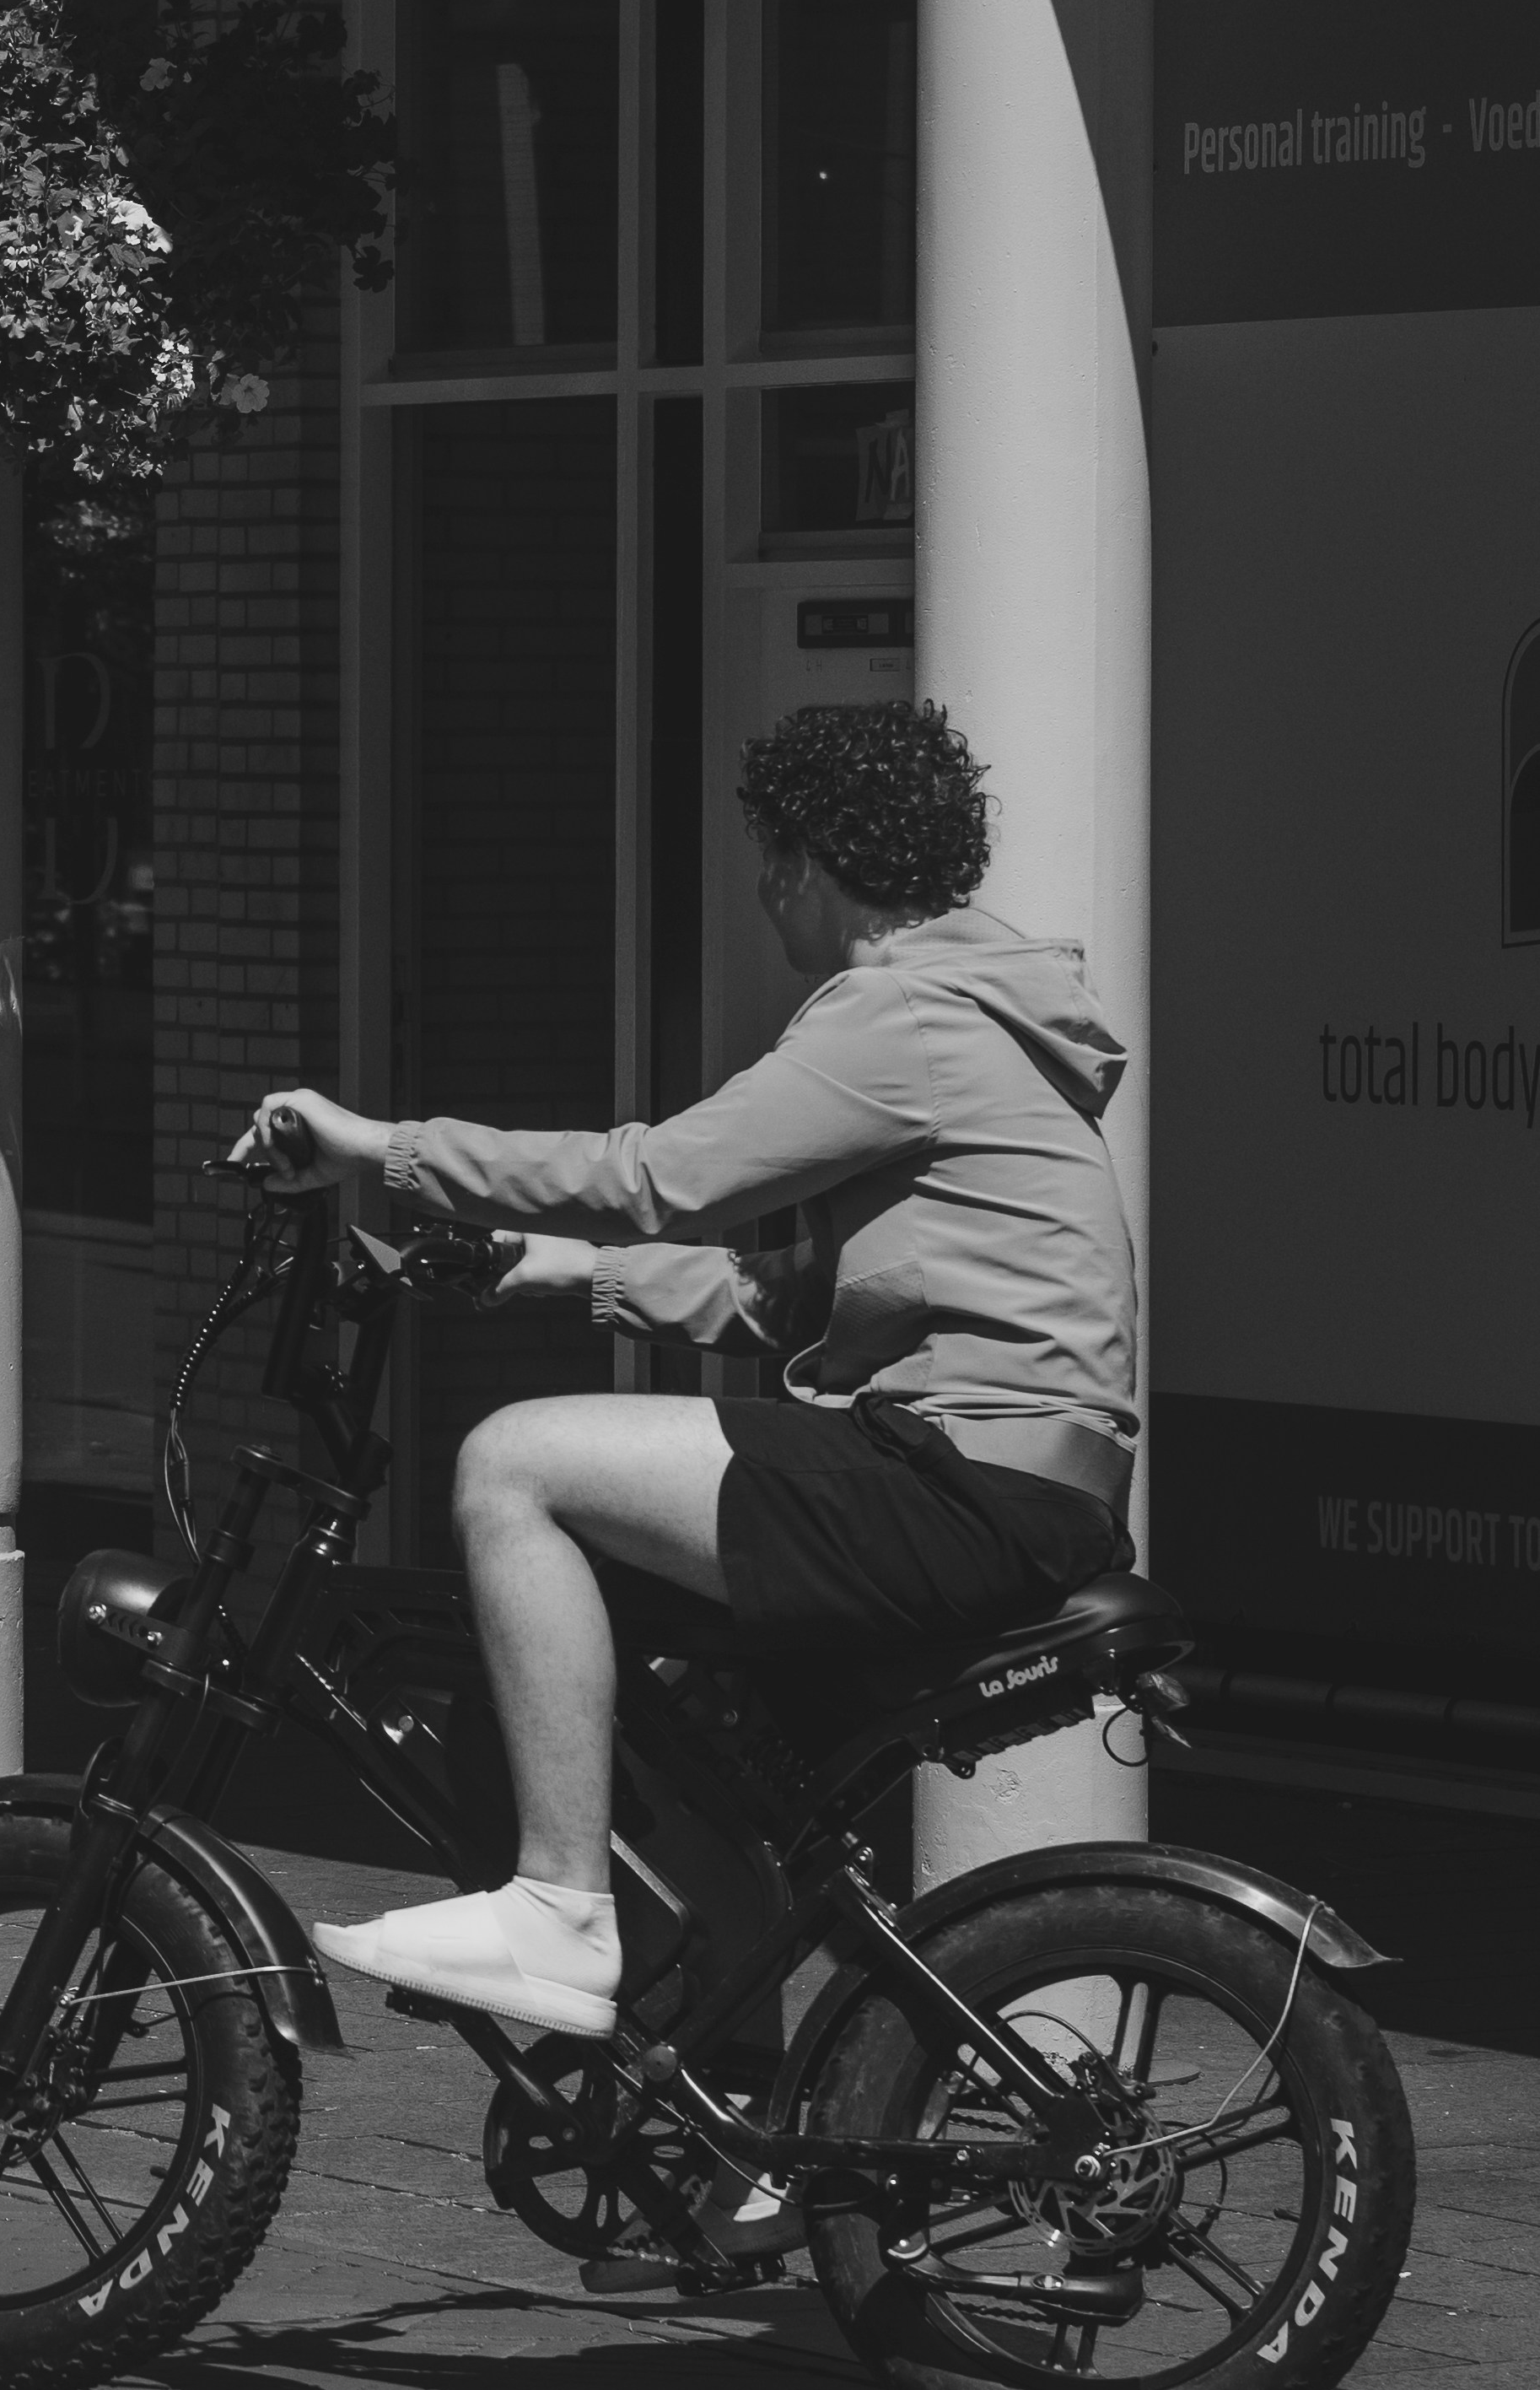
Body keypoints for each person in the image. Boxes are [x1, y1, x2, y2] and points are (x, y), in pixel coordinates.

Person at [236, 698, 1140, 2038]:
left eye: (765, 860)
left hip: (960, 1478)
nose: (762, 893)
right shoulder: (974, 1013)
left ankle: (556, 1907)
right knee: (692, 1734)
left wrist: (378, 1143)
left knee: (511, 1462)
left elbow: (656, 1178)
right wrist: (541, 1269)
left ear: (805, 861)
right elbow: (784, 1300)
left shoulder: (900, 1017)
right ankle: (750, 2132)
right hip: (1004, 1476)